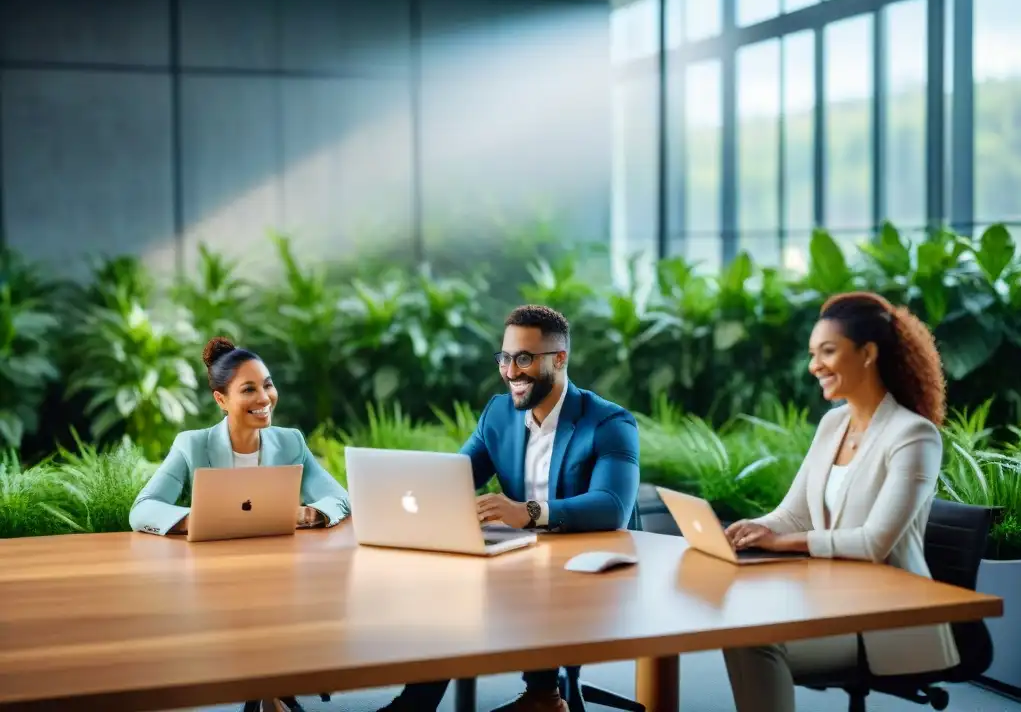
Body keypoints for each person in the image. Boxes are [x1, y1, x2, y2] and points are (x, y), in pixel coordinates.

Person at [378, 305, 641, 712]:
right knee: (448, 584)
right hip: (523, 559)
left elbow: (612, 507)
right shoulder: (498, 414)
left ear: (559, 359)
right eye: (505, 357)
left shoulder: (608, 423)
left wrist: (530, 512)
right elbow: (458, 476)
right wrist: (409, 498)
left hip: (584, 568)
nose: (511, 371)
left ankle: (545, 696)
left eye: (524, 358)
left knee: (487, 589)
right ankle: (414, 707)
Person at [721, 291, 959, 712]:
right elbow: (793, 514)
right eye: (813, 353)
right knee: (739, 627)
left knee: (754, 641)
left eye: (827, 352)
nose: (815, 366)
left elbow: (873, 544)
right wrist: (753, 529)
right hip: (830, 597)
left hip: (889, 616)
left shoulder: (914, 436)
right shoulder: (834, 423)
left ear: (867, 353)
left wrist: (780, 544)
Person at [129, 336, 350, 536]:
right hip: (214, 564)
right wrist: (201, 521)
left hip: (279, 561)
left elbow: (340, 500)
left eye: (268, 385)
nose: (264, 399)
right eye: (248, 390)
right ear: (221, 400)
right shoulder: (192, 445)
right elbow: (143, 509)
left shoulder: (290, 443)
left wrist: (308, 515)